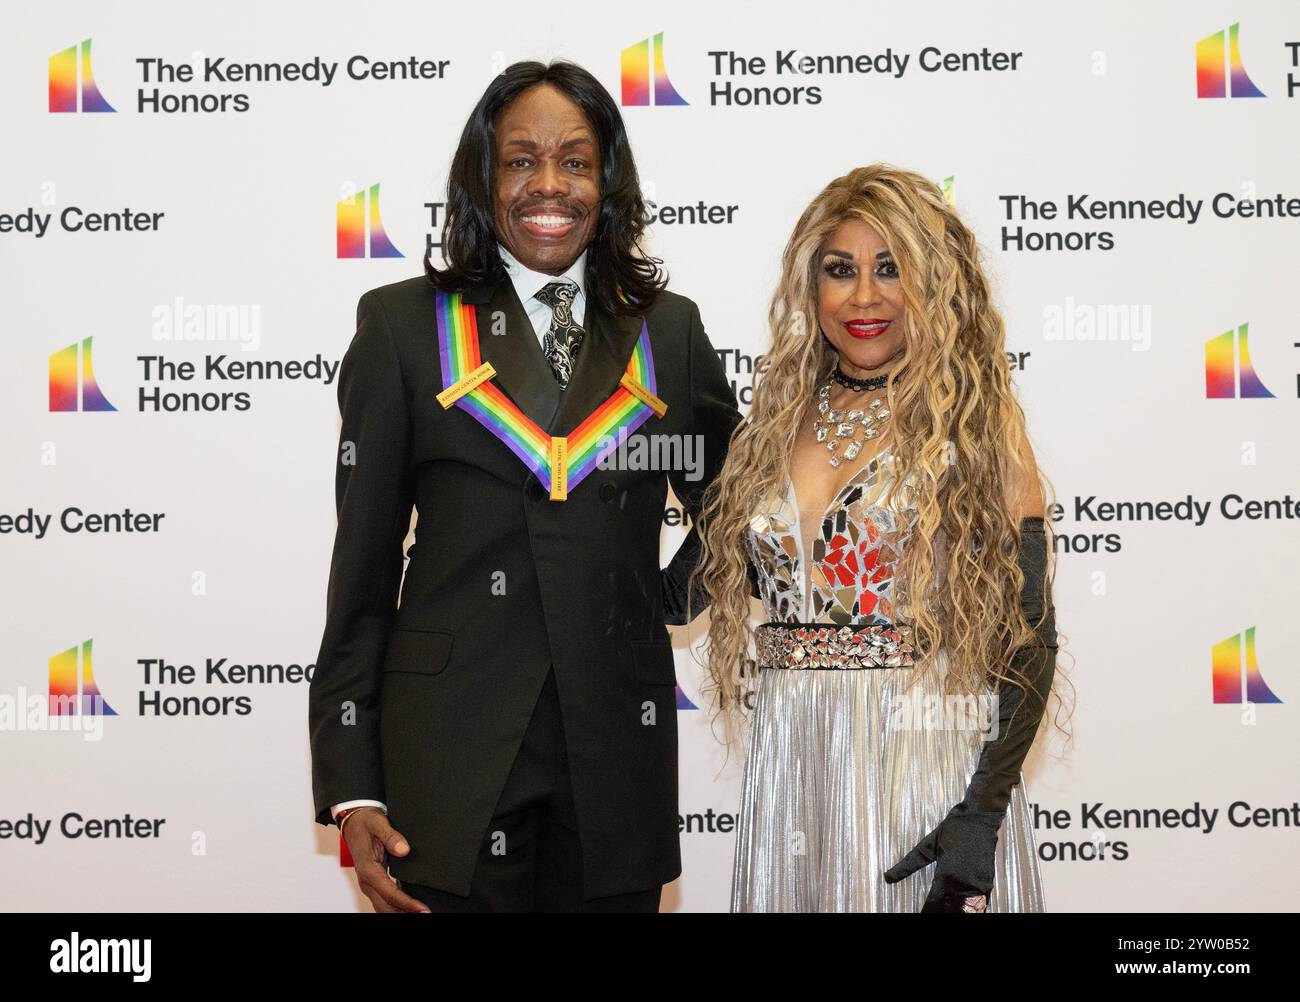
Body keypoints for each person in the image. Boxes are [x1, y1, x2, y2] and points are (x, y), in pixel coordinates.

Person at [309, 60, 742, 912]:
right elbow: (359, 577)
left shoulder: (670, 331)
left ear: (607, 183)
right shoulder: (402, 327)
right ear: (483, 178)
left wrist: (661, 595)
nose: (550, 184)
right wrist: (353, 784)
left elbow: (742, 503)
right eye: (520, 160)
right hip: (447, 760)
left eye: (576, 162)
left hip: (616, 754)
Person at [665, 164, 1064, 912]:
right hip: (794, 769)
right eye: (840, 270)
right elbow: (678, 595)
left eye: (891, 269)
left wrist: (978, 822)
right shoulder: (772, 429)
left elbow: (1030, 643)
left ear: (933, 284)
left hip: (922, 764)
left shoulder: (978, 430)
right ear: (811, 289)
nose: (864, 296)